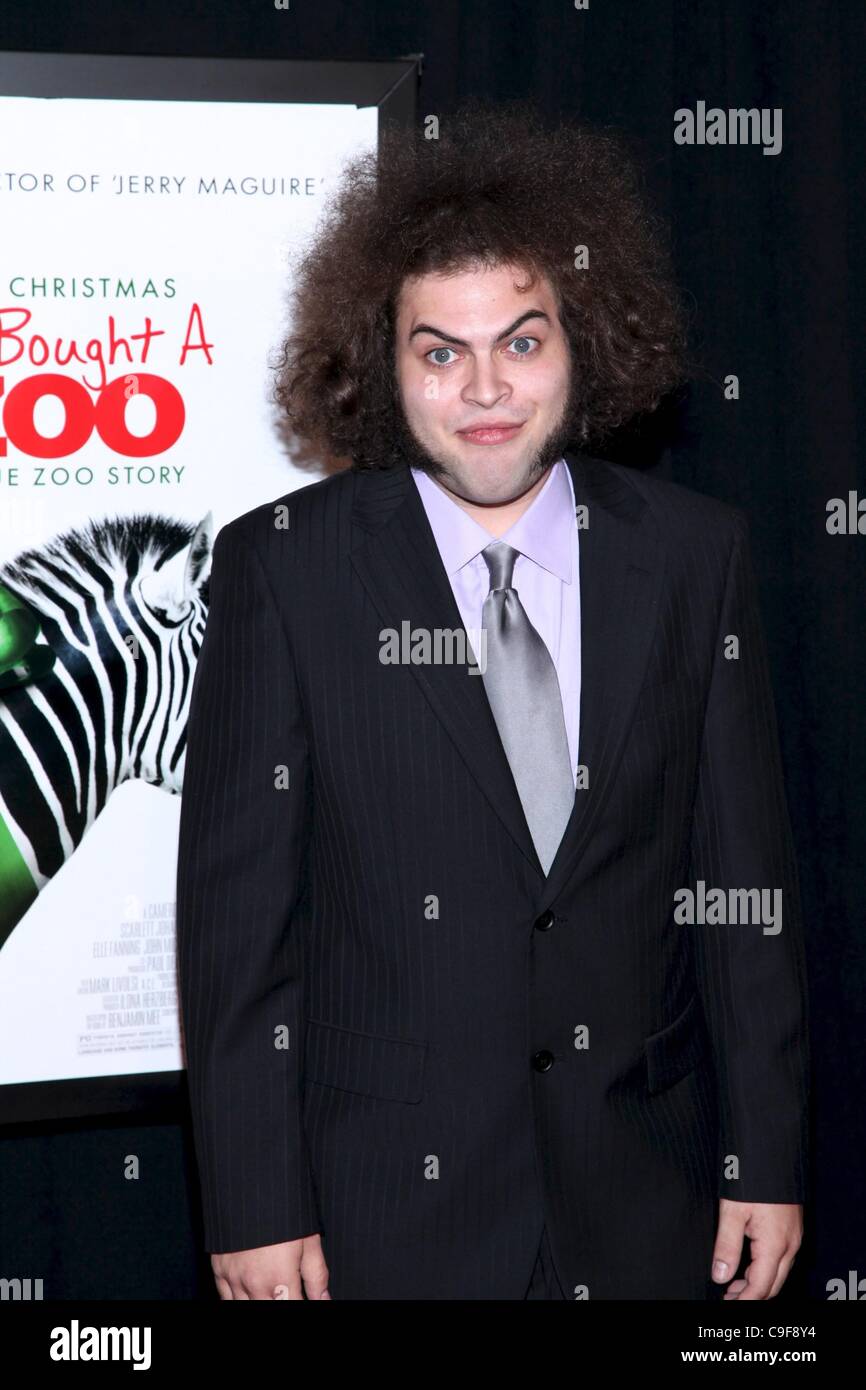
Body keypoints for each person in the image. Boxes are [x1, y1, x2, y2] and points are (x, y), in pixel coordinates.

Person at [175, 100, 809, 1301]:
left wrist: (764, 1159)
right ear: (381, 366)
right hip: (377, 1214)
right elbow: (236, 932)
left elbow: (743, 893)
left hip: (646, 1201)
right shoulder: (285, 568)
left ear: (586, 344)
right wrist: (256, 1202)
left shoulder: (691, 556)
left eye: (520, 342)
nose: (483, 390)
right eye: (438, 351)